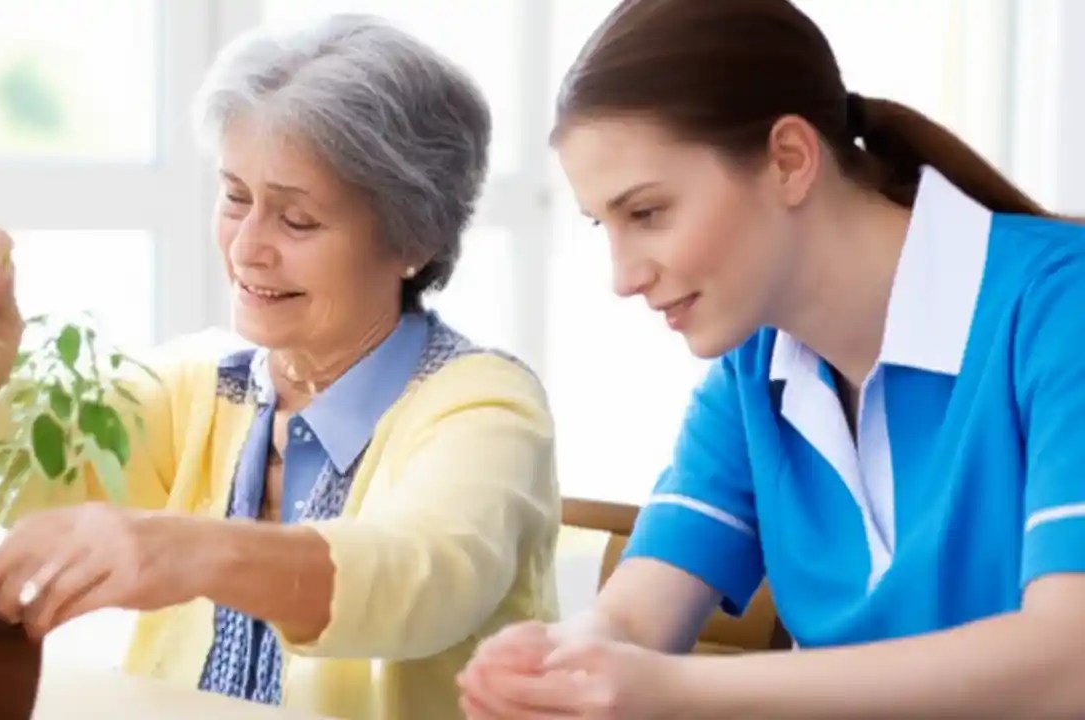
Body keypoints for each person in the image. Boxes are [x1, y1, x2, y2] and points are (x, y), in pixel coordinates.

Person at [0, 14, 560, 720]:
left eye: (297, 220)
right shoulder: (205, 384)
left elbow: (423, 573)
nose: (247, 248)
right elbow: (24, 478)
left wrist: (189, 550)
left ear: (416, 237)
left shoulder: (484, 406)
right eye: (235, 197)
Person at [458, 0, 1085, 717]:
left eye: (648, 213)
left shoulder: (1063, 308)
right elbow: (634, 619)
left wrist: (669, 690)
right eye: (606, 225)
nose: (623, 275)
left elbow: (1069, 660)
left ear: (789, 160)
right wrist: (561, 662)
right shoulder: (755, 372)